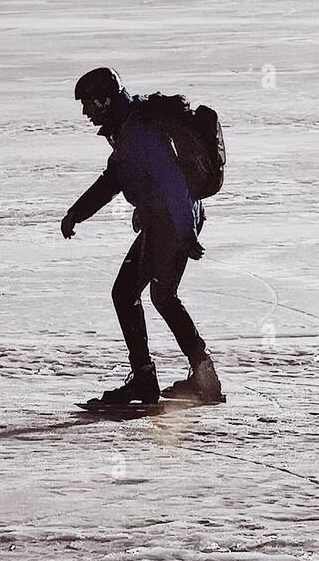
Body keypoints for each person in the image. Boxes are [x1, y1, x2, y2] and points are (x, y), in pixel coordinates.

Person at [61, 67, 223, 407]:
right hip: (175, 221)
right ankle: (205, 378)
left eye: (87, 104)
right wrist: (78, 212)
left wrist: (185, 232)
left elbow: (171, 180)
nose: (85, 112)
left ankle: (144, 380)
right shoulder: (127, 128)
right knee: (163, 296)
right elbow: (113, 179)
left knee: (125, 293)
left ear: (104, 100)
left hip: (171, 224)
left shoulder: (138, 133)